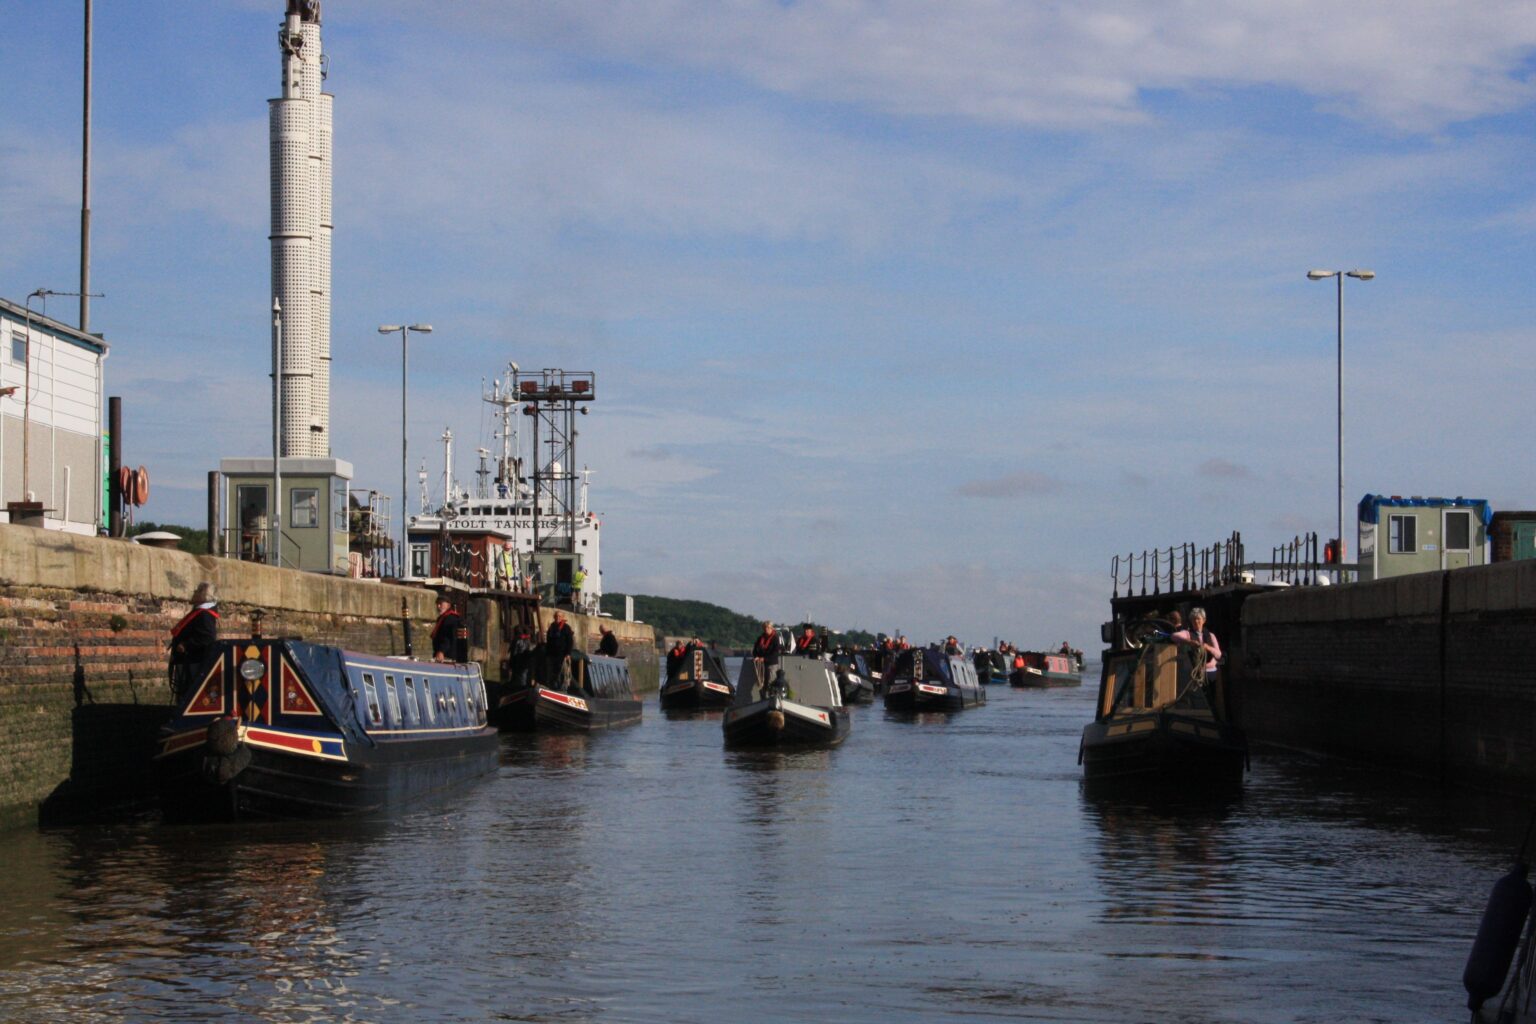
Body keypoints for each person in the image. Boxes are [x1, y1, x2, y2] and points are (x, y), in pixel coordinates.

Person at [169, 582, 220, 701]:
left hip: (193, 661)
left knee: (189, 694)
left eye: (197, 591)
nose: (194, 593)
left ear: (203, 595)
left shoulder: (205, 615)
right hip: (188, 661)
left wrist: (186, 645)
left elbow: (207, 637)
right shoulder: (201, 612)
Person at [1171, 606, 1221, 678]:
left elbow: (1218, 655)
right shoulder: (1187, 634)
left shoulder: (1211, 635)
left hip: (1211, 672)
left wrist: (1208, 647)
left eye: (1198, 619)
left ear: (1204, 620)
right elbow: (1173, 636)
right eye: (1193, 619)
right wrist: (1189, 642)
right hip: (1195, 672)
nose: (1196, 621)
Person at [545, 611, 576, 690]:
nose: (557, 617)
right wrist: (547, 652)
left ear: (562, 617)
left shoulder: (566, 628)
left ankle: (561, 688)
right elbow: (548, 640)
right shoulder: (551, 627)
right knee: (551, 672)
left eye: (559, 616)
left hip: (562, 654)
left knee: (561, 672)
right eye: (556, 616)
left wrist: (568, 653)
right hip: (552, 654)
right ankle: (552, 686)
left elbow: (570, 642)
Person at [431, 596, 464, 663]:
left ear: (448, 605)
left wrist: (442, 651)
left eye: (441, 604)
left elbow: (448, 637)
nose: (438, 606)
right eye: (437, 604)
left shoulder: (451, 618)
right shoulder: (442, 618)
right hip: (440, 653)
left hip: (447, 655)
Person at [752, 621, 780, 696]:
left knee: (771, 682)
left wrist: (765, 658)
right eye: (764, 627)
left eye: (768, 627)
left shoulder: (775, 638)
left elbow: (775, 653)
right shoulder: (760, 638)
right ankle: (763, 696)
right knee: (762, 683)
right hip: (762, 664)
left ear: (771, 628)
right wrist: (756, 656)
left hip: (772, 664)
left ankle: (771, 697)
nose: (766, 629)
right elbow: (755, 650)